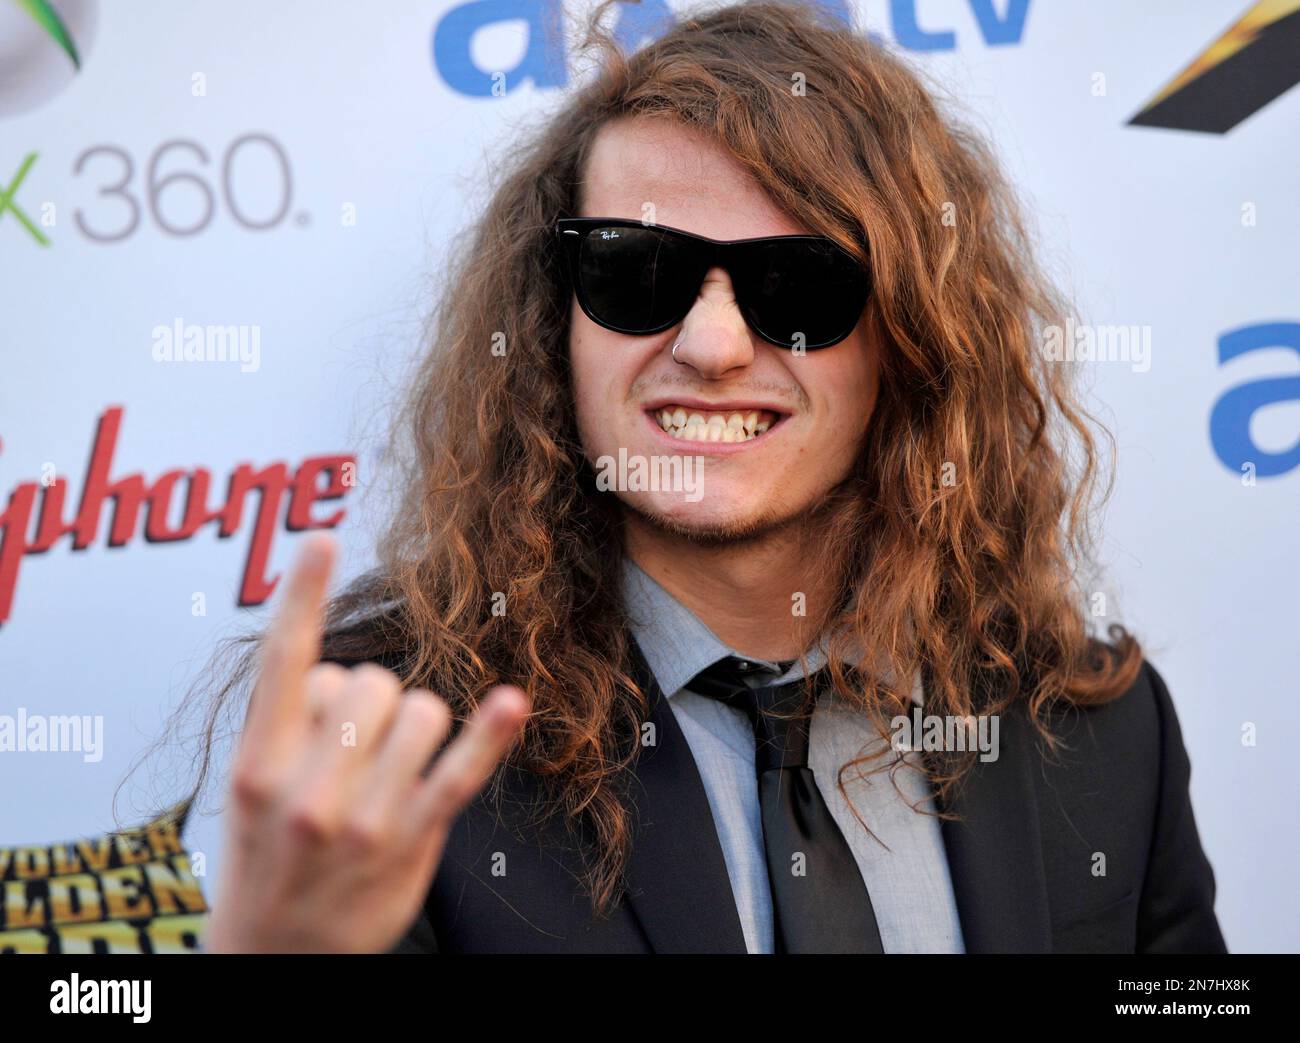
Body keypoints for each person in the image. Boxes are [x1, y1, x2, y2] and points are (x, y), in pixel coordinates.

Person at [179, 1, 1225, 953]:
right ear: (553, 327)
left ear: (910, 341)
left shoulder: (1096, 728)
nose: (713, 344)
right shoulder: (394, 747)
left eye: (798, 282)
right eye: (637, 271)